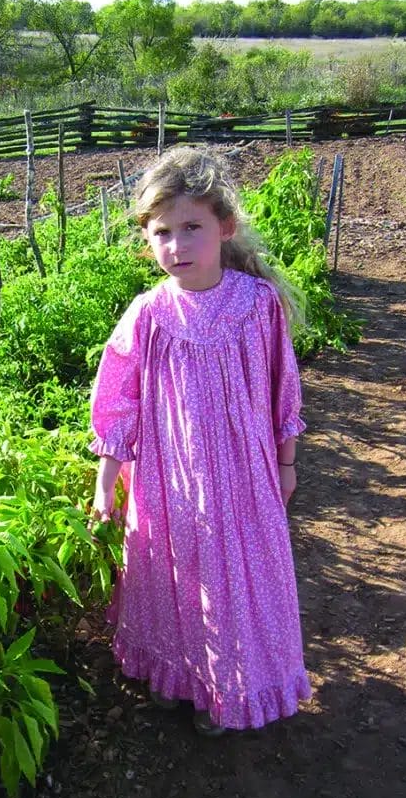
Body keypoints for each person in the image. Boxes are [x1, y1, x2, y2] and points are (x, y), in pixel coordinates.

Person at [89, 145, 312, 736]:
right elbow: (118, 402)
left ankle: (226, 686)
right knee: (170, 575)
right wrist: (106, 483)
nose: (177, 246)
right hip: (168, 479)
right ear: (148, 240)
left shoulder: (257, 306)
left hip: (242, 476)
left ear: (225, 227)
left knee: (233, 578)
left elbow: (281, 388)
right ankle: (175, 676)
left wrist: (287, 462)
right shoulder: (147, 314)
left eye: (192, 228)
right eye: (162, 232)